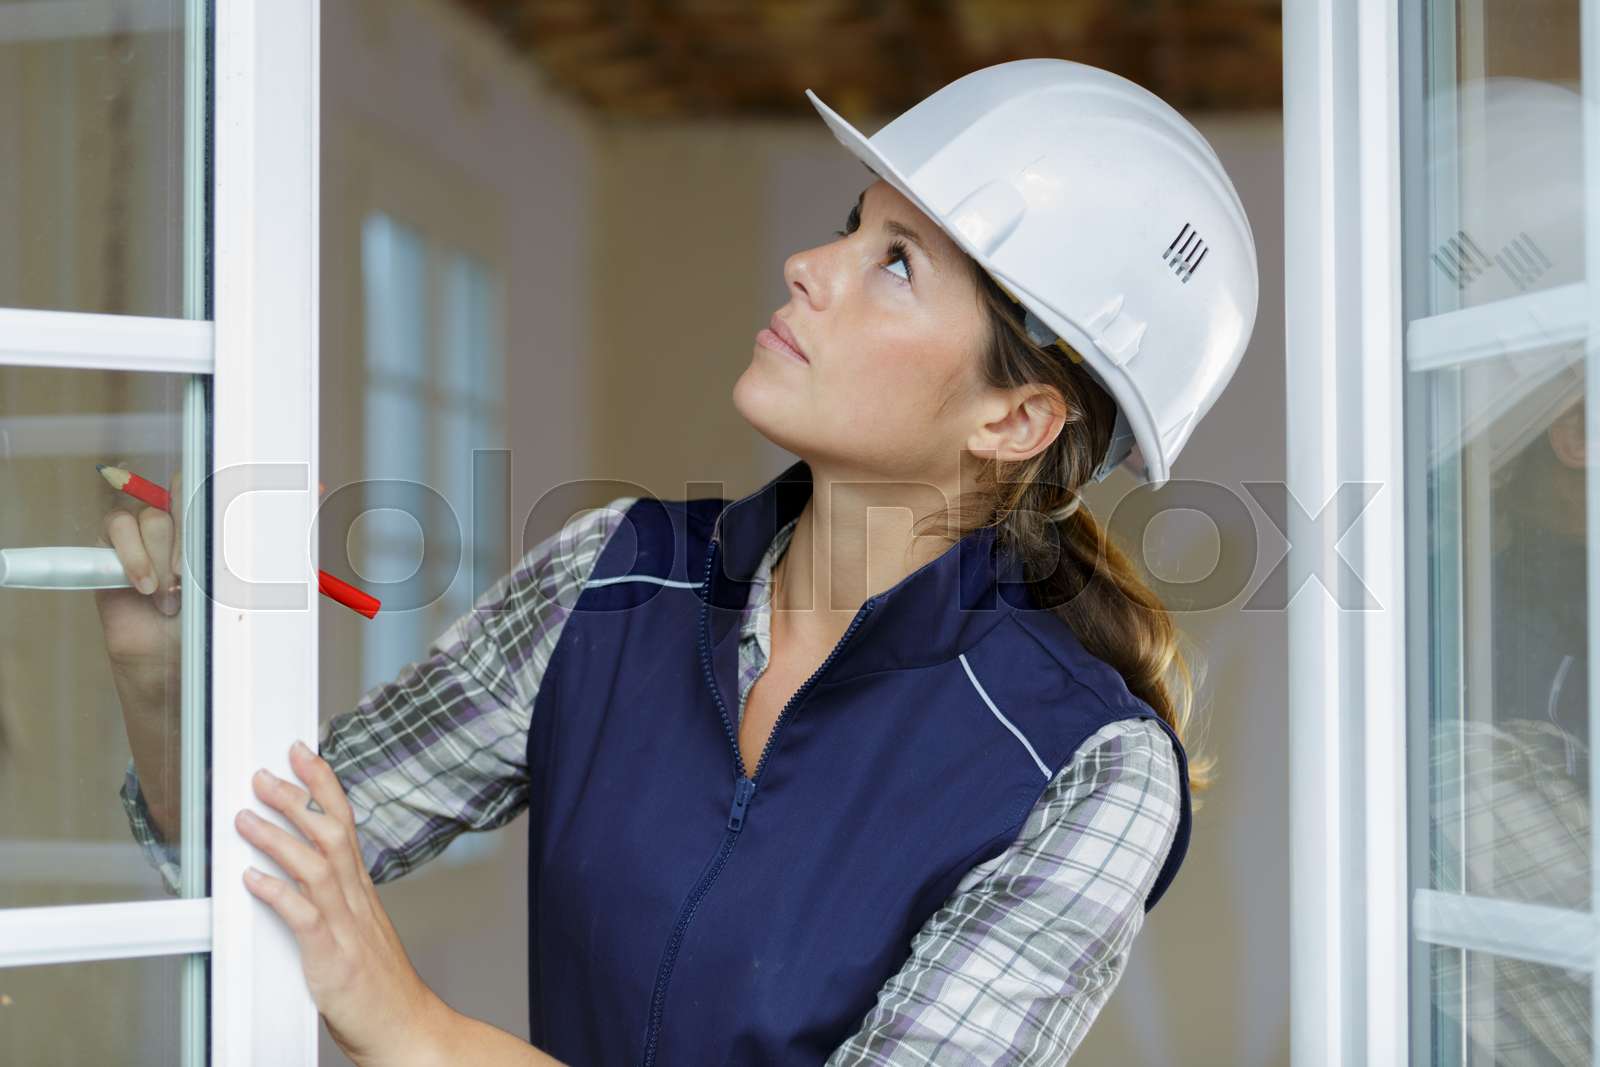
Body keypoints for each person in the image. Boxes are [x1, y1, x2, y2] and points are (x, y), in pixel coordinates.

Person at [99, 58, 1258, 1065]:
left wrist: (413, 1029)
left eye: (896, 263)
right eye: (854, 223)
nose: (810, 262)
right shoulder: (610, 577)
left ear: (1015, 420)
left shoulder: (1088, 771)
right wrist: (163, 677)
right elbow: (250, 869)